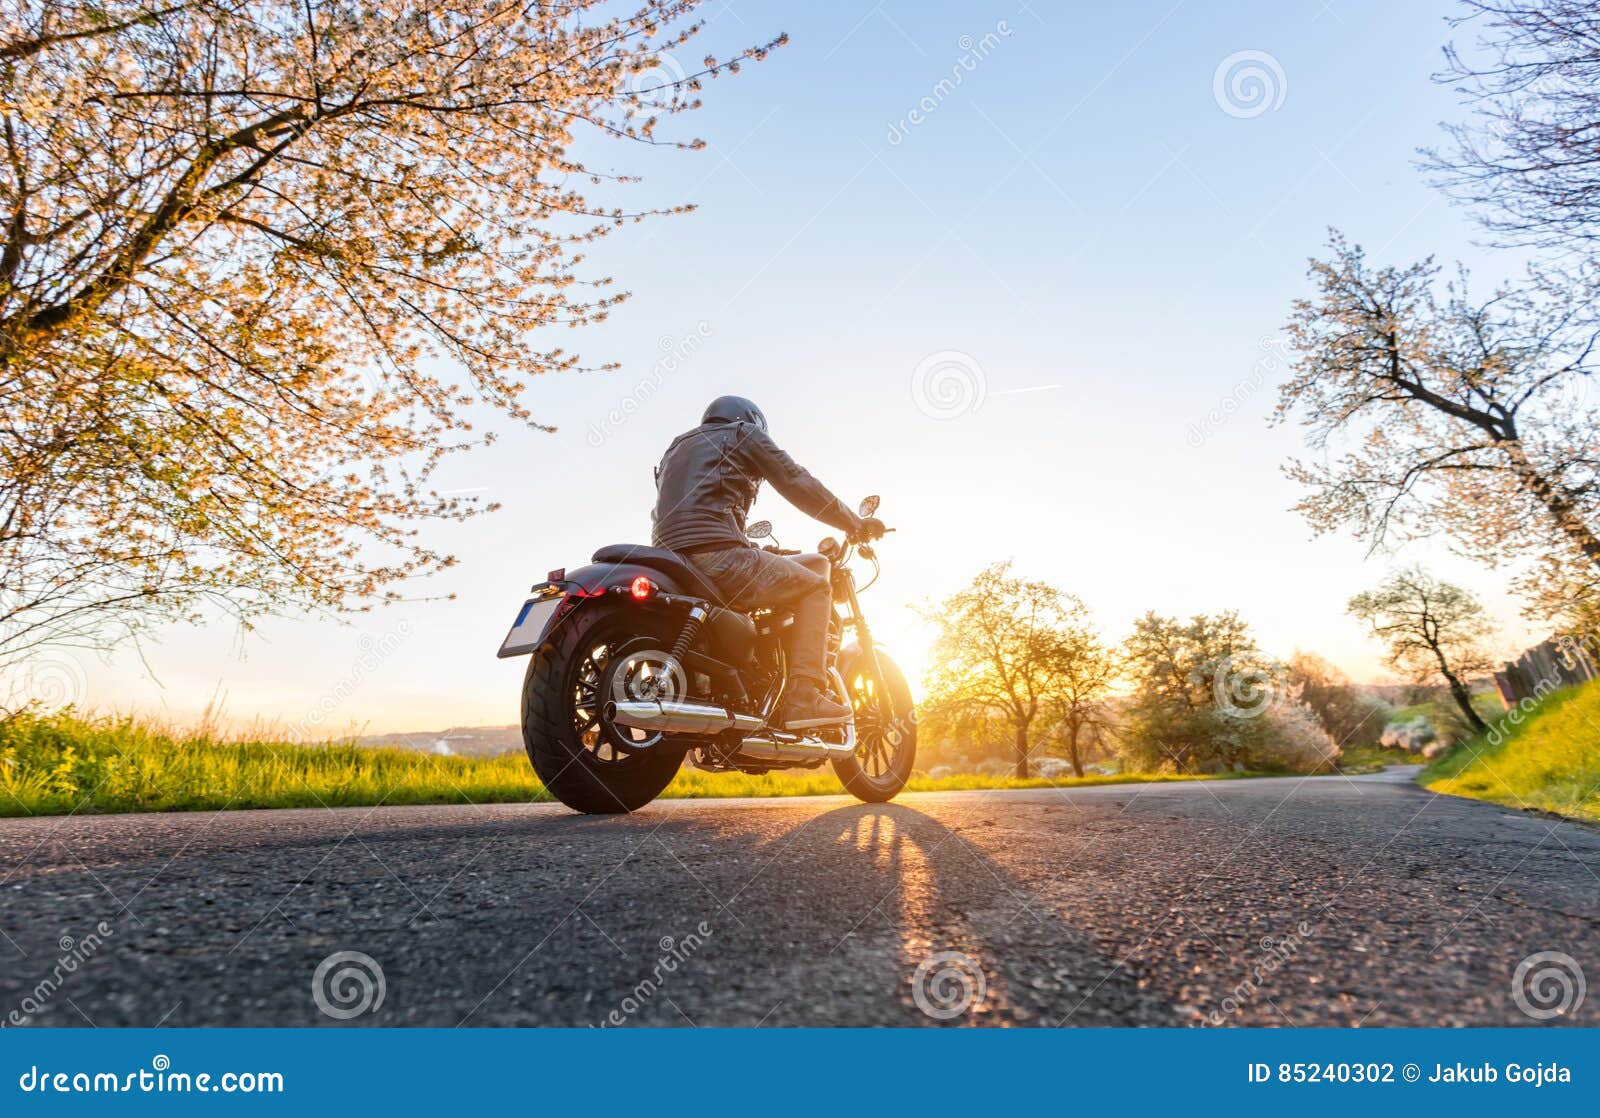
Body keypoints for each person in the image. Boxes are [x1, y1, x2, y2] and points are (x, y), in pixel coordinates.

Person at [651, 395, 885, 729]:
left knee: (815, 566)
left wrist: (754, 547)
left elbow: (693, 509)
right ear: (751, 420)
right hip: (718, 556)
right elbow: (796, 480)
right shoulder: (742, 433)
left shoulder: (675, 449)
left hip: (672, 559)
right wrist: (853, 523)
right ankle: (804, 698)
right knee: (817, 589)